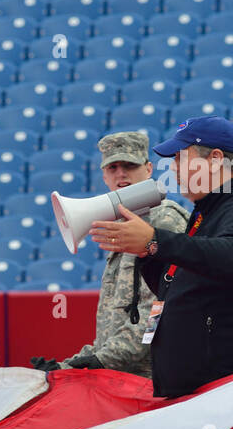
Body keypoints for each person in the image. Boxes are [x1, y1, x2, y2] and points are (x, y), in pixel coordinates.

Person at [88, 116, 233, 398]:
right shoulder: (208, 213)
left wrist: (155, 240)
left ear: (216, 159)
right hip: (205, 393)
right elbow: (179, 288)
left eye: (181, 158)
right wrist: (148, 253)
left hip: (230, 393)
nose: (173, 168)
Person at [31, 131, 191, 376]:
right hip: (124, 377)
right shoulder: (121, 225)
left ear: (148, 169)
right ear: (104, 176)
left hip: (154, 380)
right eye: (113, 167)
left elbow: (158, 310)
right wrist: (68, 366)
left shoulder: (164, 219)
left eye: (129, 165)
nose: (121, 174)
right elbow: (112, 329)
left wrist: (102, 360)